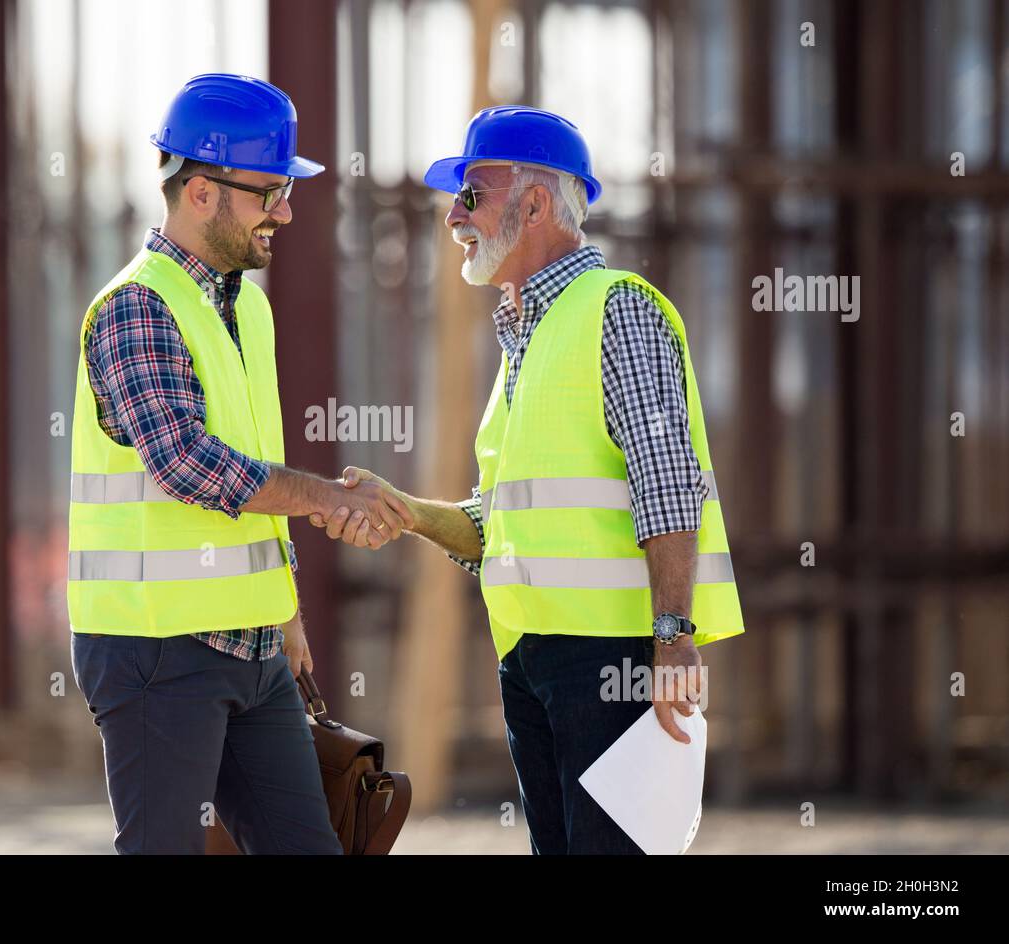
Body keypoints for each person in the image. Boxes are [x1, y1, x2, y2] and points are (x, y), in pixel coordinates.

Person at [313, 106, 745, 854]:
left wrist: (673, 638)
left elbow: (667, 481)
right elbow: (501, 524)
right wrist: (409, 512)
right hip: (533, 659)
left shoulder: (618, 311)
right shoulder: (526, 340)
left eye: (471, 192)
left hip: (611, 660)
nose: (454, 215)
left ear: (536, 202)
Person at [67, 73, 412, 854]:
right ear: (198, 191)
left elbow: (259, 464)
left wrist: (284, 609)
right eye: (268, 191)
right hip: (158, 651)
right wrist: (326, 498)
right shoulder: (136, 308)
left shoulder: (245, 306)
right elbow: (188, 463)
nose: (285, 210)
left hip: (252, 646)